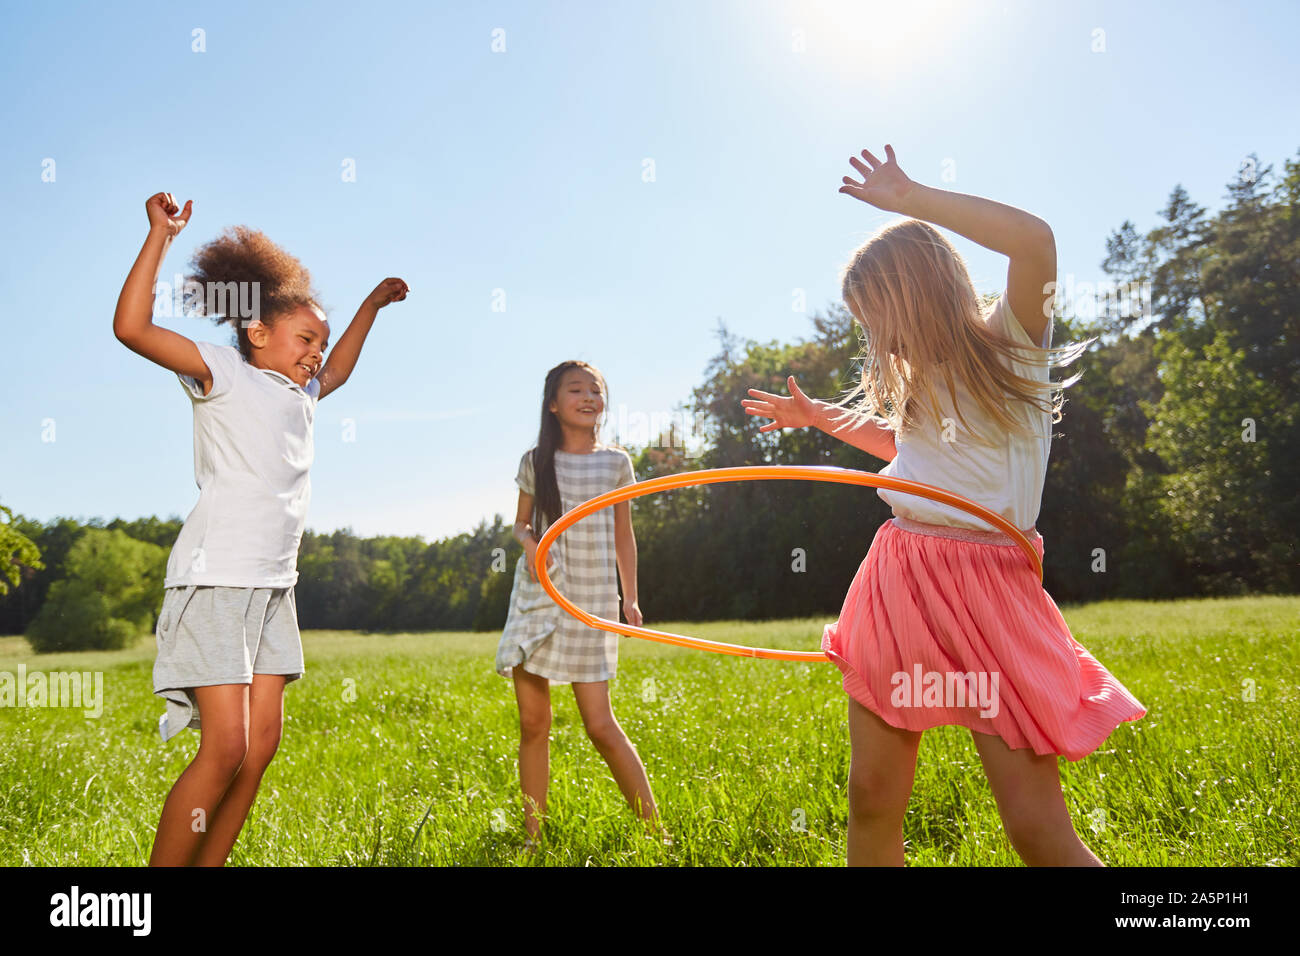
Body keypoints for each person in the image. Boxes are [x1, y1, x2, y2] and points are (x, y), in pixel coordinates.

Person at [742, 144, 1145, 867]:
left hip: (990, 589)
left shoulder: (1010, 343)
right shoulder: (922, 383)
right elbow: (915, 458)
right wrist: (823, 420)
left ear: (917, 292)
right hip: (899, 579)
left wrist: (912, 199)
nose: (878, 337)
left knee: (1034, 827)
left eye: (878, 316)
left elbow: (1036, 241)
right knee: (872, 795)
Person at [113, 191, 408, 865]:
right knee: (226, 748)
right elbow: (132, 329)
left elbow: (338, 370)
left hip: (274, 589)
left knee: (260, 749)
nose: (315, 355)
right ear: (257, 333)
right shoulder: (224, 374)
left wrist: (369, 306)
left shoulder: (299, 395)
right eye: (305, 338)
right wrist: (160, 235)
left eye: (319, 342)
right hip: (217, 579)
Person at [495, 360, 662, 846]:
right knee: (533, 722)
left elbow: (623, 535)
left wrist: (630, 598)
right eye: (577, 390)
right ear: (553, 403)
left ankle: (655, 832)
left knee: (600, 724)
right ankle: (533, 836)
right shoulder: (535, 461)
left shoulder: (616, 463)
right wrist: (532, 549)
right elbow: (521, 525)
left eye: (597, 391)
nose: (590, 397)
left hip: (591, 599)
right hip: (539, 597)